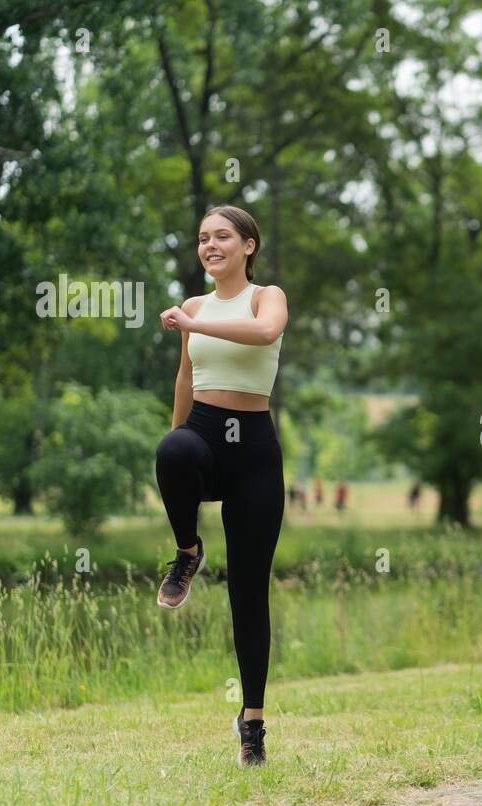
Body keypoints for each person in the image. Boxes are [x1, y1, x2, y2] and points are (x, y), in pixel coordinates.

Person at [154, 204, 288, 767]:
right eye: (203, 238)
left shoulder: (266, 297)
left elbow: (264, 334)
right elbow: (186, 376)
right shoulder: (192, 305)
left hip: (254, 447)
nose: (211, 246)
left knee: (248, 592)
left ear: (248, 245)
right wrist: (177, 455)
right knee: (172, 447)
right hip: (207, 432)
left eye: (223, 237)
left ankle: (252, 722)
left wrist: (194, 325)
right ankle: (188, 551)